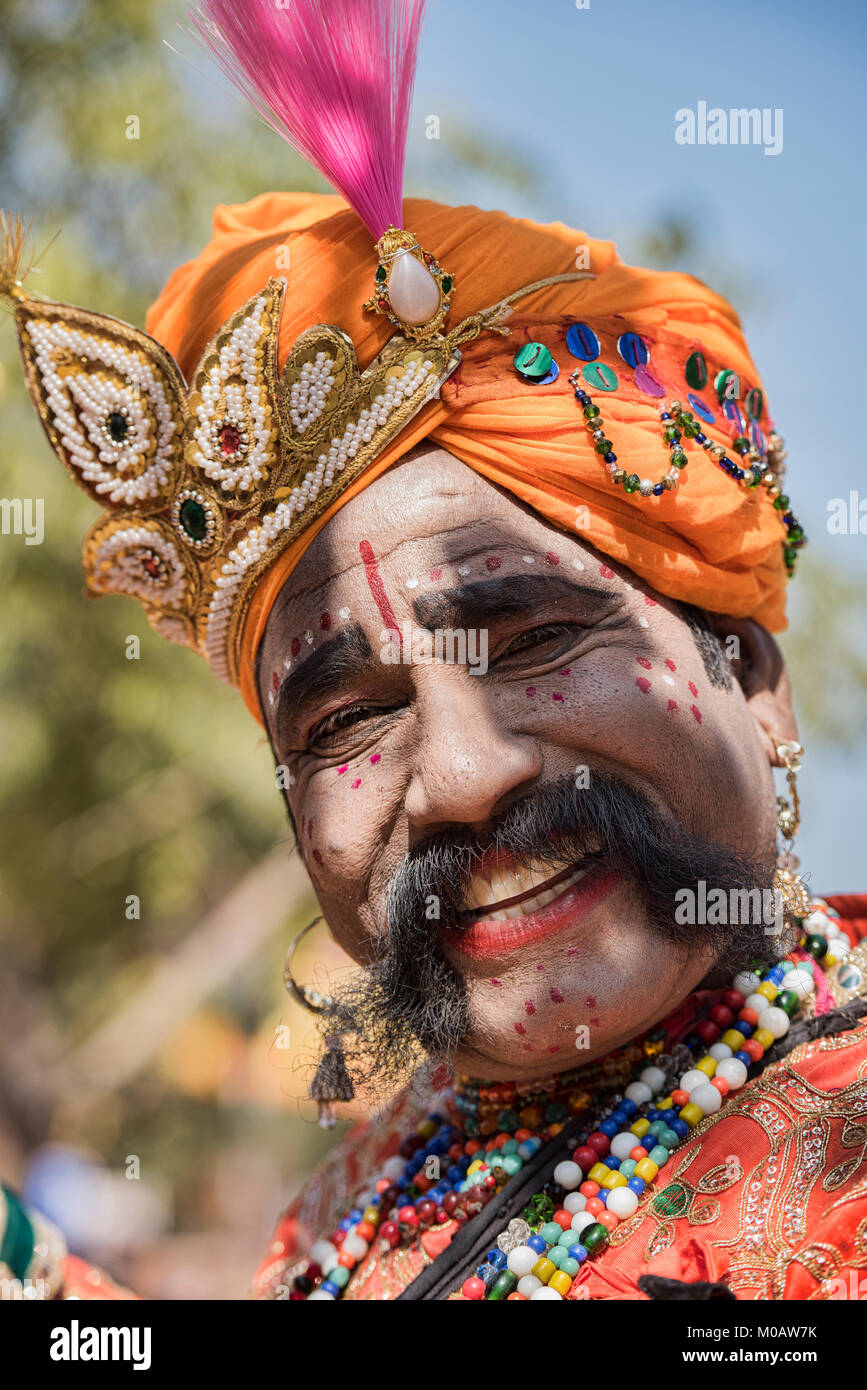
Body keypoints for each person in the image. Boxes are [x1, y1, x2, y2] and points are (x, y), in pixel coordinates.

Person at [2, 0, 866, 1303]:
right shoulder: (359, 1195)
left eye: (531, 636)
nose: (461, 777)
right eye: (345, 720)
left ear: (751, 675)